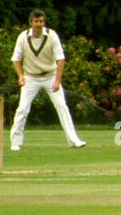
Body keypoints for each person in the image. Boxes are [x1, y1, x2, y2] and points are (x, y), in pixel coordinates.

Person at [9, 9, 86, 150]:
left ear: (44, 22)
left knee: (62, 106)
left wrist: (57, 80)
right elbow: (15, 59)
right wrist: (20, 76)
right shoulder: (23, 37)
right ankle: (15, 143)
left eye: (41, 21)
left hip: (50, 76)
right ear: (31, 22)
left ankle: (74, 140)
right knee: (23, 109)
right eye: (36, 21)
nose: (39, 24)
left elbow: (61, 59)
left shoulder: (52, 36)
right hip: (30, 77)